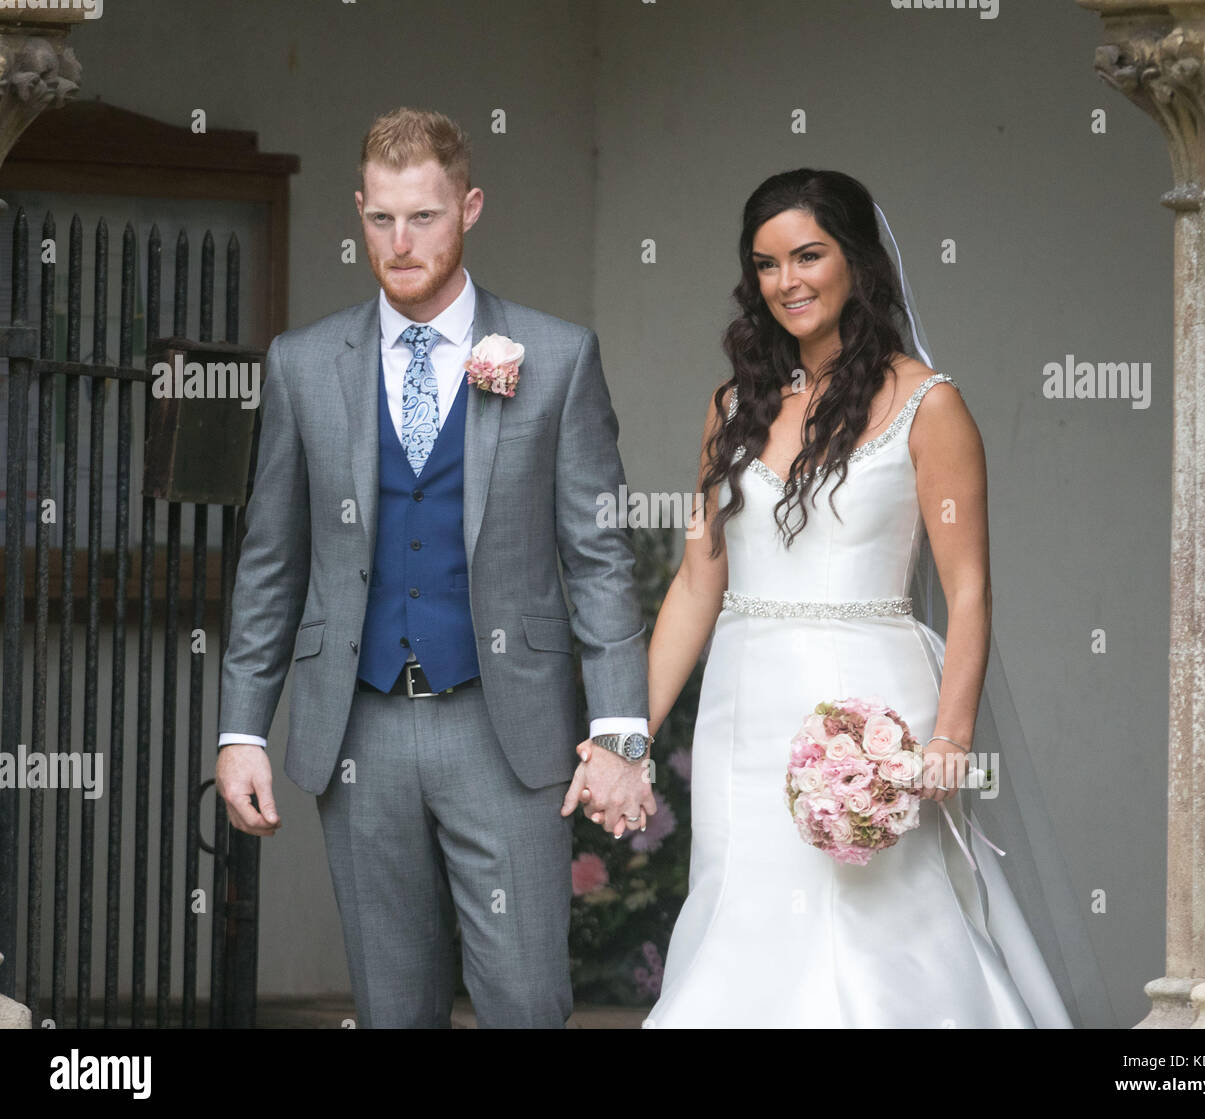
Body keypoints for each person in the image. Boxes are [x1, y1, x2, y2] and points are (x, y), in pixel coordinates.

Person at [214, 107, 653, 1028]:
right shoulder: (302, 364)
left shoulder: (557, 356)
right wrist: (241, 730)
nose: (400, 241)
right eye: (381, 218)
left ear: (471, 208)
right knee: (392, 1004)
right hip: (359, 727)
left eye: (424, 216)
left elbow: (601, 555)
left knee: (527, 999)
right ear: (359, 215)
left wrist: (621, 732)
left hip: (505, 727)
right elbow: (270, 562)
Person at [624, 168, 1083, 1027]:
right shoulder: (732, 408)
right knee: (743, 919)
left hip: (872, 711)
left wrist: (948, 736)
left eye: (808, 255)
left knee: (879, 935)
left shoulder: (930, 406)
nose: (787, 281)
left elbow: (970, 589)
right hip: (743, 711)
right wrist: (628, 736)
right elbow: (696, 579)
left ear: (856, 262)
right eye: (766, 265)